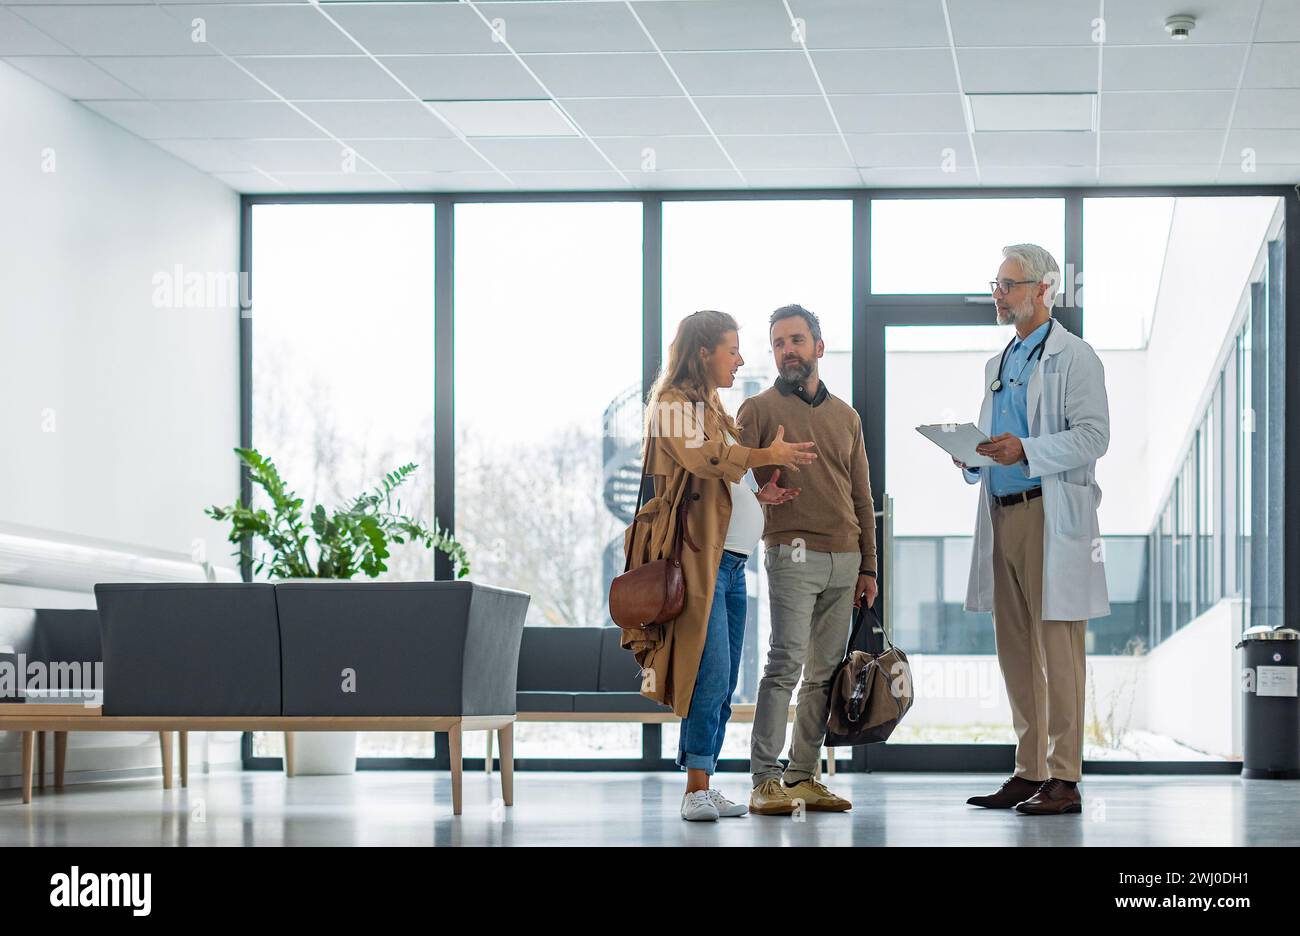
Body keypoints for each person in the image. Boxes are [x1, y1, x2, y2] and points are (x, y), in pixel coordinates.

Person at [622, 309, 816, 822]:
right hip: (698, 565)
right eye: (732, 349)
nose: (740, 359)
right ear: (703, 352)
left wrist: (760, 490)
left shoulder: (711, 406)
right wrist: (763, 453)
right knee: (708, 676)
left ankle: (704, 782)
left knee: (724, 677)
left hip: (731, 566)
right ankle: (694, 790)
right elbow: (703, 459)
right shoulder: (668, 406)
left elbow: (726, 477)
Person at [956, 244, 1110, 816]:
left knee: (1058, 650)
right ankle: (1030, 770)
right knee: (1015, 649)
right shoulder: (999, 364)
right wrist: (971, 456)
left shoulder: (1075, 357)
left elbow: (1094, 436)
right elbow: (995, 436)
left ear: (1044, 289)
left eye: (1009, 284)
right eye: (996, 283)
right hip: (1000, 515)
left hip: (1051, 513)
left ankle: (1065, 778)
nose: (999, 293)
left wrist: (1027, 449)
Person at [737, 304, 878, 816]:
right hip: (791, 552)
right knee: (784, 665)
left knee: (824, 673)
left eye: (796, 340)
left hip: (845, 559)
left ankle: (802, 775)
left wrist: (869, 567)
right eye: (778, 343)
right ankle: (763, 779)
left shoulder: (847, 417)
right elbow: (729, 479)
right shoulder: (756, 411)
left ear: (818, 347)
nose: (787, 350)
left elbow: (863, 496)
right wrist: (759, 494)